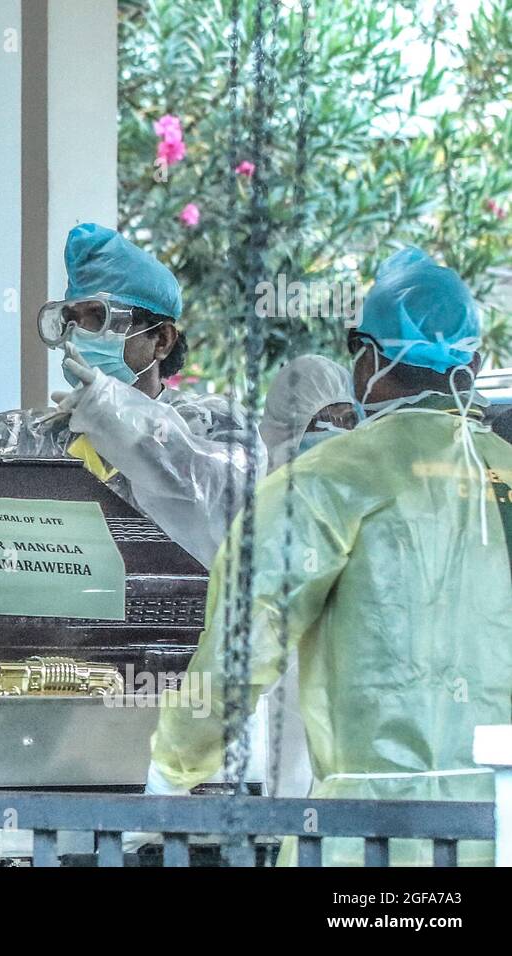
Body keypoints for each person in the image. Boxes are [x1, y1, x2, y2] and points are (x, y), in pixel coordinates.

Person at [139, 246, 512, 865]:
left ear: (366, 355)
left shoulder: (327, 481)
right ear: (472, 361)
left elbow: (242, 643)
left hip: (369, 841)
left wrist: (170, 773)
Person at [0, 223, 265, 567]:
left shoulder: (209, 426)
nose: (77, 333)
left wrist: (117, 414)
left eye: (98, 318)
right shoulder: (34, 435)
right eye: (70, 319)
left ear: (162, 340)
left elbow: (218, 496)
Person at [255, 354, 358, 799]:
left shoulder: (366, 505)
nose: (333, 436)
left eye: (342, 422)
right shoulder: (260, 514)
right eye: (318, 426)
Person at [259, 354, 357, 470]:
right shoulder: (256, 481)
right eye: (326, 421)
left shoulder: (357, 477)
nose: (343, 429)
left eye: (349, 420)